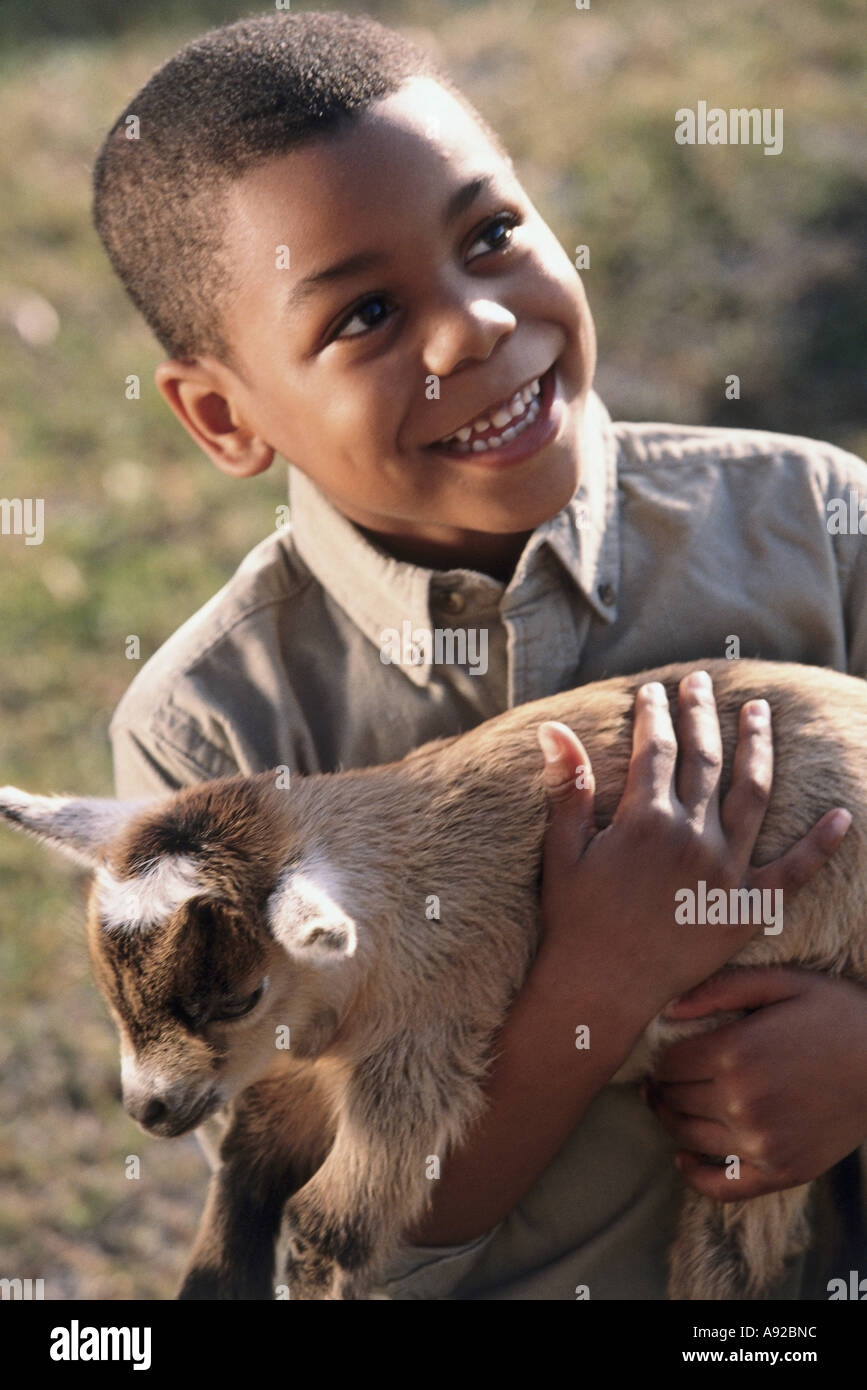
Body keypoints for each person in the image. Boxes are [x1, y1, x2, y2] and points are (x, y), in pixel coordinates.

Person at [93, 11, 867, 1298]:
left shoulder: (816, 528)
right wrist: (599, 984)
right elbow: (334, 1244)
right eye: (368, 312)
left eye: (492, 235)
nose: (473, 330)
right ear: (224, 417)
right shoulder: (207, 745)